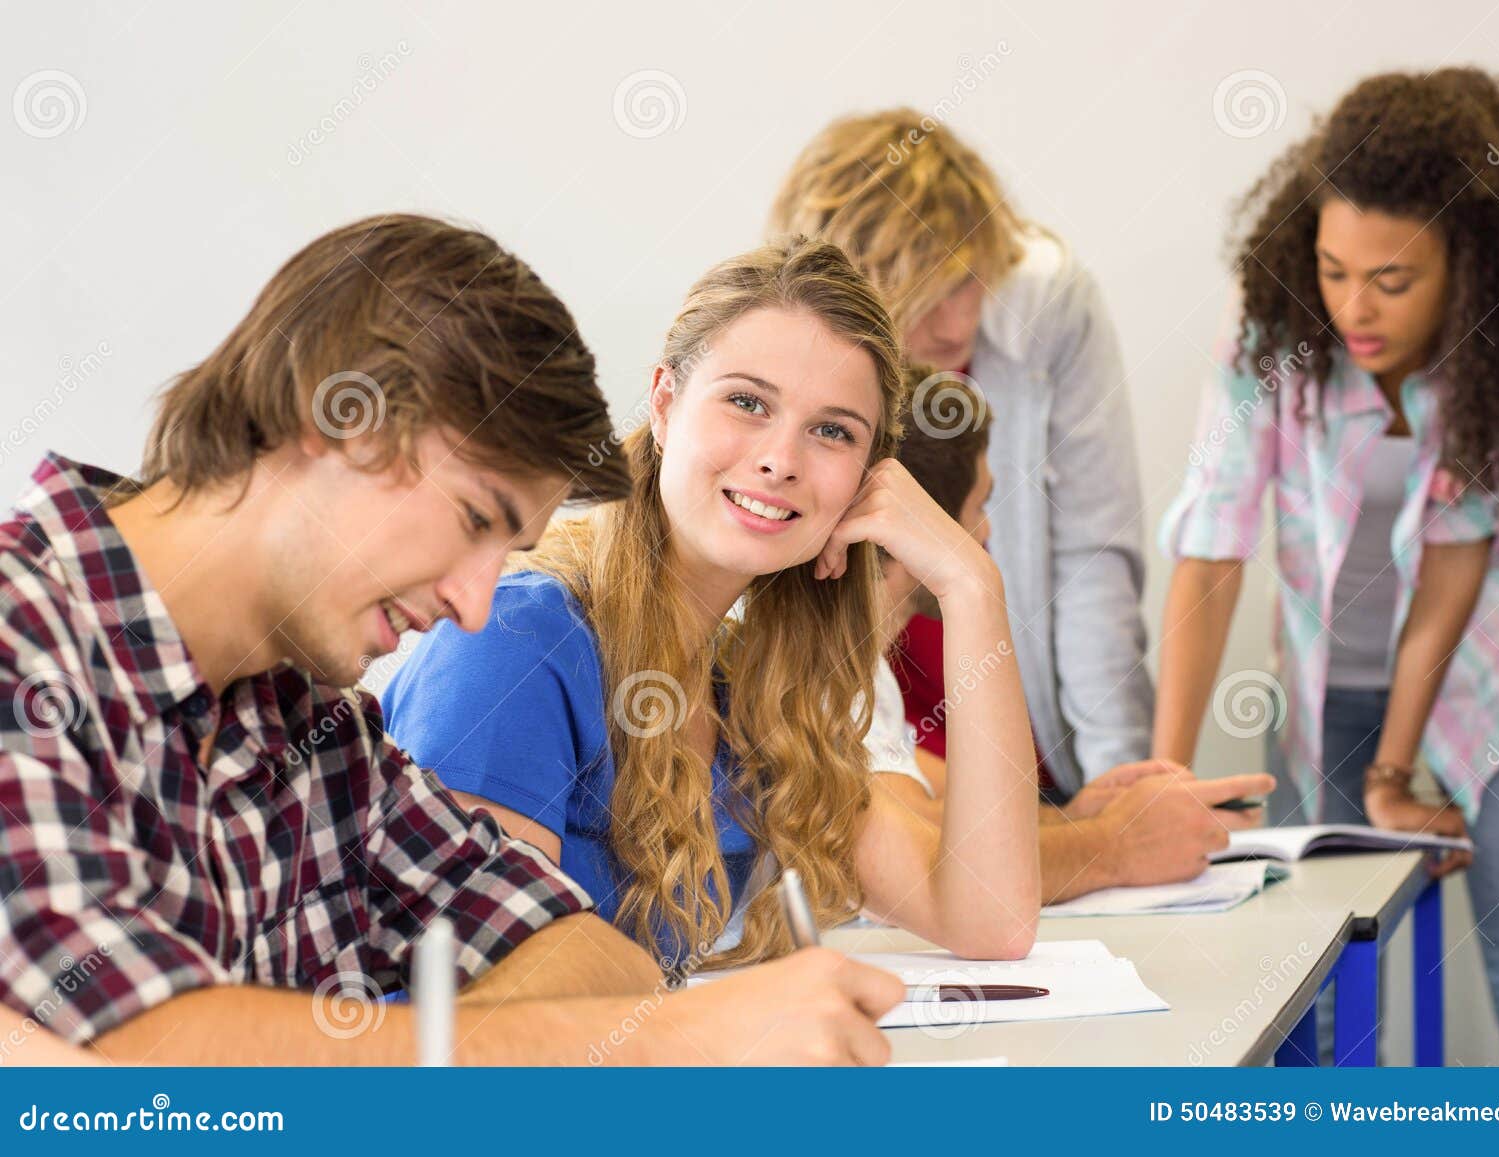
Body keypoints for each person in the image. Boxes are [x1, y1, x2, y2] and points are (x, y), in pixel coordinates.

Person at [0, 215, 902, 1065]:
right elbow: (137, 1045)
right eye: (474, 518)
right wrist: (665, 1039)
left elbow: (589, 952)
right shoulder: (22, 645)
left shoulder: (311, 720)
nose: (476, 607)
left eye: (503, 549)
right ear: (335, 419)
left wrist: (385, 1069)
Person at [383, 237, 1041, 970]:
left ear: (865, 477)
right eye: (747, 402)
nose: (780, 459)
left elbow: (991, 919)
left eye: (832, 430)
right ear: (664, 404)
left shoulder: (745, 686)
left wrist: (971, 585)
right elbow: (492, 990)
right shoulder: (516, 640)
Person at [1153, 69, 1499, 1065]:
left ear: (1466, 268)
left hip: (1495, 691)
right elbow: (1213, 544)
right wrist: (1166, 775)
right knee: (1313, 1010)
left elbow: (1455, 558)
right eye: (1332, 268)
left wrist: (1399, 769)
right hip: (1323, 697)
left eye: (1391, 280)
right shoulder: (1269, 326)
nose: (1354, 306)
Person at [768, 109, 1151, 795]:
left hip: (1016, 698)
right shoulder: (789, 344)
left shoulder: (1051, 303)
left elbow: (1093, 557)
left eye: (966, 282)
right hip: (877, 721)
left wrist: (1115, 778)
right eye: (925, 296)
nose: (957, 324)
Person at [870, 369, 1273, 900]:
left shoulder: (872, 677)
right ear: (927, 521)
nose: (986, 534)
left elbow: (925, 816)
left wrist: (1075, 817)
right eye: (979, 507)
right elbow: (930, 864)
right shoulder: (824, 665)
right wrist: (1116, 844)